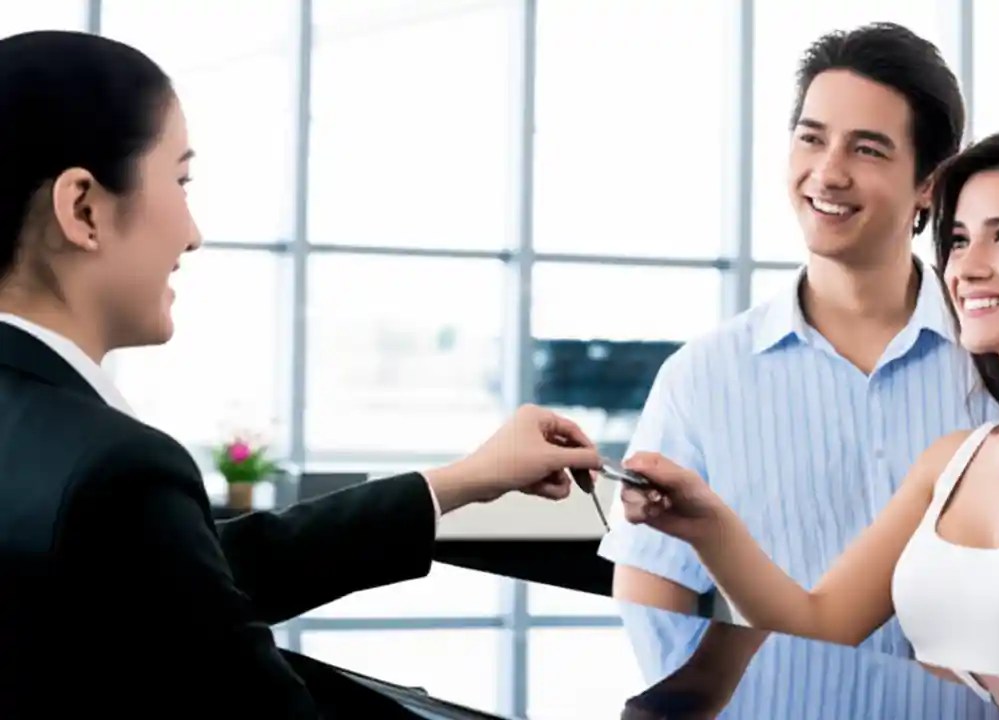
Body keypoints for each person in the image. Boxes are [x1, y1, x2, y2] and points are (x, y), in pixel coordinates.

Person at [0, 30, 602, 717]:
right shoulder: (117, 469)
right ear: (84, 208)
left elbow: (195, 575)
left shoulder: (61, 455)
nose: (193, 232)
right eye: (180, 180)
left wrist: (460, 482)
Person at [617, 128, 999, 717]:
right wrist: (709, 527)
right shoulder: (951, 462)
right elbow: (817, 623)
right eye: (960, 239)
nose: (966, 266)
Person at [598, 23, 999, 685]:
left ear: (930, 182)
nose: (829, 173)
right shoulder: (703, 378)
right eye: (812, 138)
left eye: (867, 149)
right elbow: (652, 596)